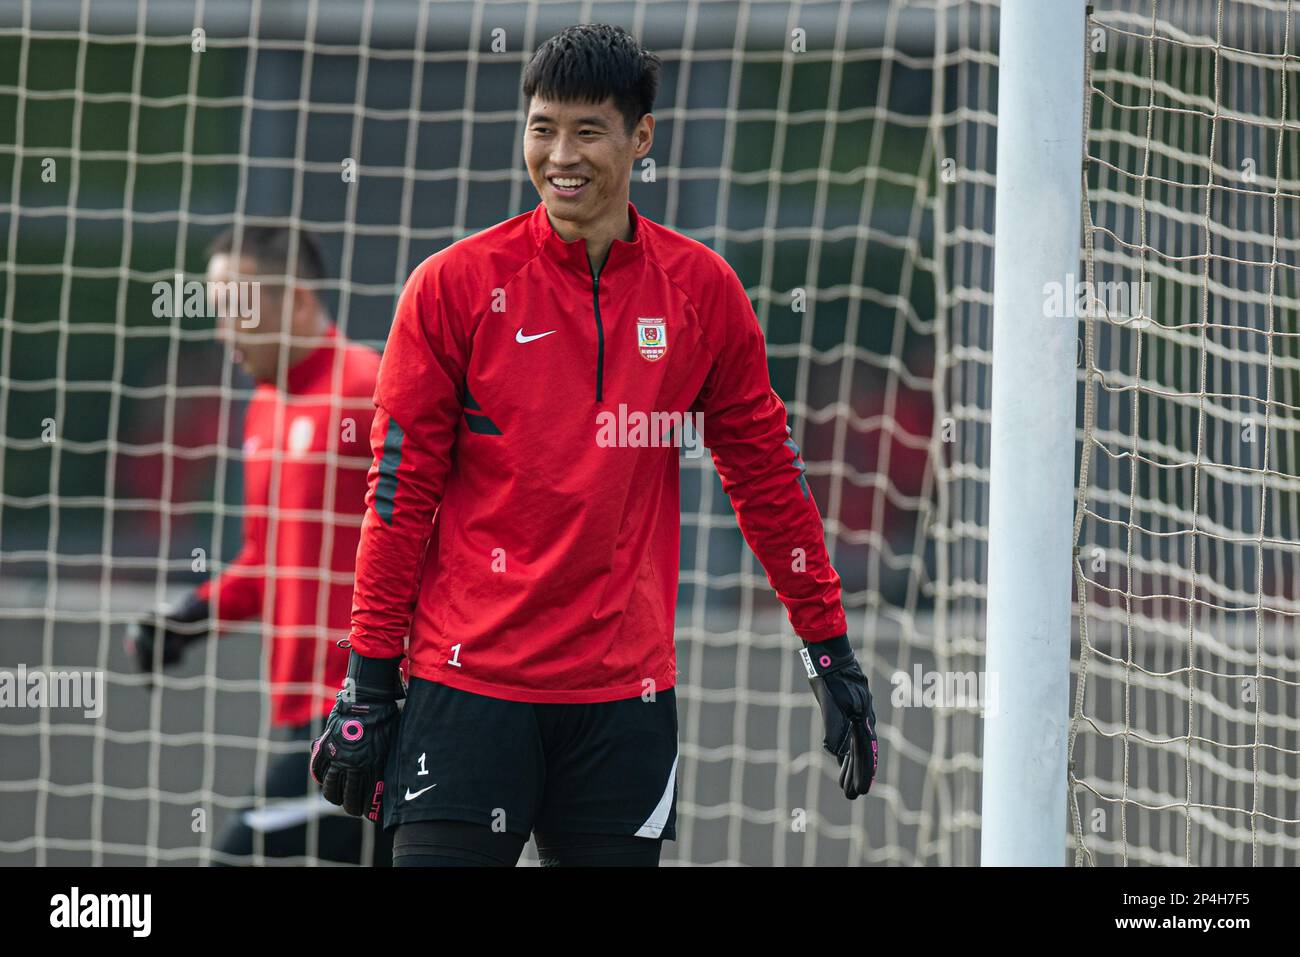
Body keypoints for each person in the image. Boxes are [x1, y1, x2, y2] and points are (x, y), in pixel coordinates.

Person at [309, 23, 877, 868]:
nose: (559, 154)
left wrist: (828, 648)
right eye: (542, 127)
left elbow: (766, 479)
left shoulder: (703, 292)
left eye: (587, 130)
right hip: (463, 691)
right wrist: (369, 677)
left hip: (625, 703)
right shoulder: (452, 286)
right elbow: (398, 496)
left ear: (640, 137)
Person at [125, 225, 393, 866]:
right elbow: (266, 557)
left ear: (298, 301)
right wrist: (195, 614)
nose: (223, 331)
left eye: (235, 310)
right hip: (309, 719)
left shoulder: (370, 387)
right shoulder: (264, 407)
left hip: (372, 712)